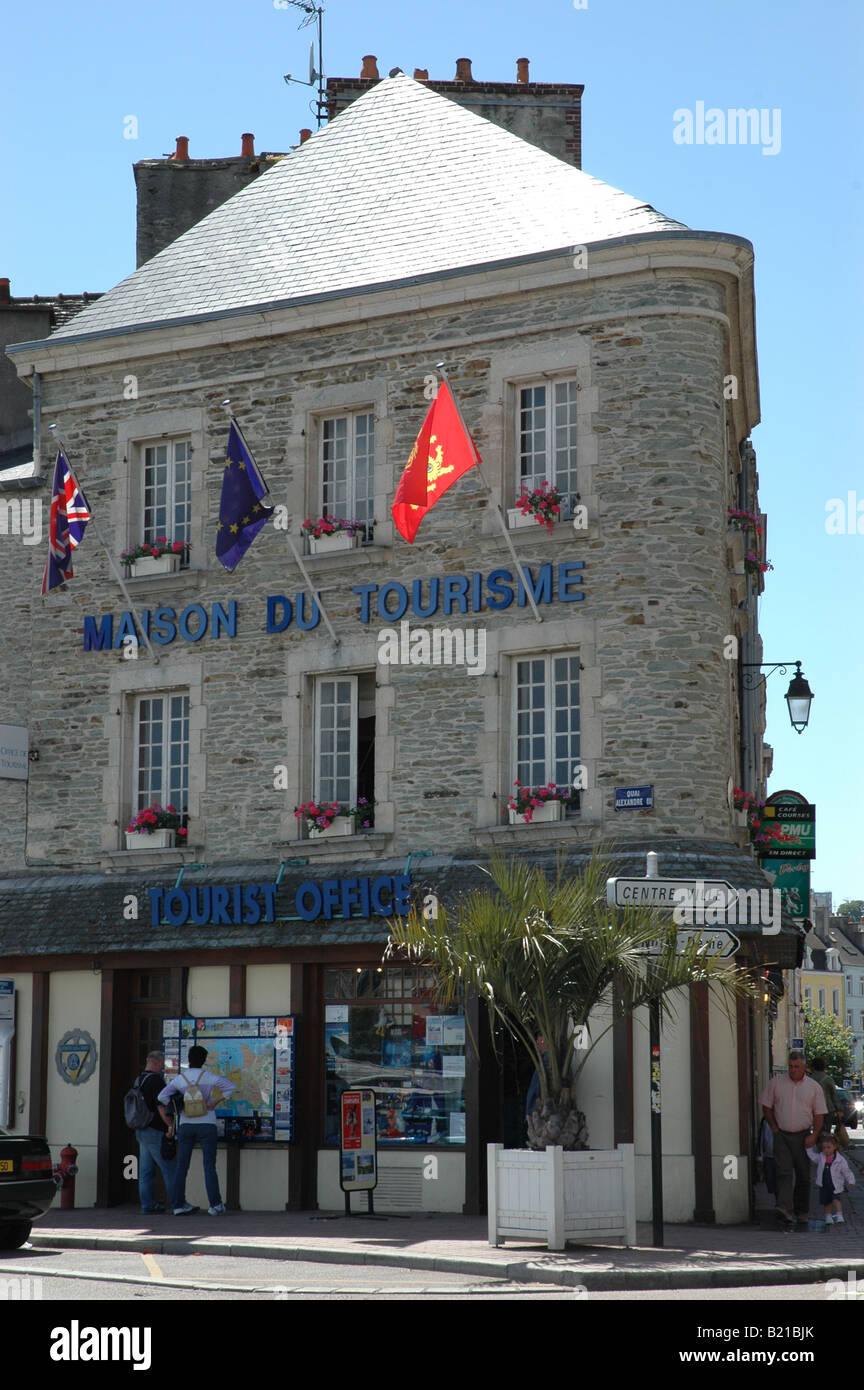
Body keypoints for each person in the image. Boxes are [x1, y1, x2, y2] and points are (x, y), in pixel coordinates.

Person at [158, 1045, 237, 1216]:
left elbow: (162, 1096)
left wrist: (179, 1107)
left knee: (182, 1166)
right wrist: (215, 1102)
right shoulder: (209, 1076)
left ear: (189, 1059)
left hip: (186, 1124)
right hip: (207, 1122)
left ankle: (178, 1205)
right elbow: (231, 1087)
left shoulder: (180, 1079)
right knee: (209, 1166)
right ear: (203, 1060)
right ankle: (215, 1205)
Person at [760, 1050, 828, 1228]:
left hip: (804, 1136)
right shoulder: (776, 1083)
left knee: (804, 1176)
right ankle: (785, 1209)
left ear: (804, 1067)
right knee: (783, 1172)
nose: (793, 1070)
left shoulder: (814, 1087)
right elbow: (766, 1106)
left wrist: (814, 1135)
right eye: (790, 1067)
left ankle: (802, 1212)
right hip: (782, 1134)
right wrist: (774, 1128)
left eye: (797, 1067)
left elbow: (819, 1114)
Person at [133, 1050, 177, 1215]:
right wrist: (171, 1125)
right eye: (162, 1065)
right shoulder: (156, 1081)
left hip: (141, 1129)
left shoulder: (139, 1080)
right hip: (155, 1130)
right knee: (169, 1168)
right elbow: (161, 1107)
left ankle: (148, 1205)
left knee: (145, 1172)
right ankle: (177, 1203)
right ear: (158, 1063)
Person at [807, 1131, 856, 1224]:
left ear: (835, 1147)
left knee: (836, 1199)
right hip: (824, 1183)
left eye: (829, 1147)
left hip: (835, 1183)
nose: (826, 1150)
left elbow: (846, 1170)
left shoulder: (840, 1160)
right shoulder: (821, 1157)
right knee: (826, 1201)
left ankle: (839, 1215)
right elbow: (813, 1157)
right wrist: (808, 1149)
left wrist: (851, 1179)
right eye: (824, 1148)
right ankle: (828, 1216)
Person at [809, 1056, 840, 1136]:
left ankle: (816, 1145)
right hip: (828, 1110)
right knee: (826, 1132)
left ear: (813, 1067)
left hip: (813, 1110)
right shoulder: (828, 1079)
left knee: (815, 1132)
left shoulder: (808, 1080)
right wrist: (839, 1109)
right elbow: (834, 1096)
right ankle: (825, 1146)